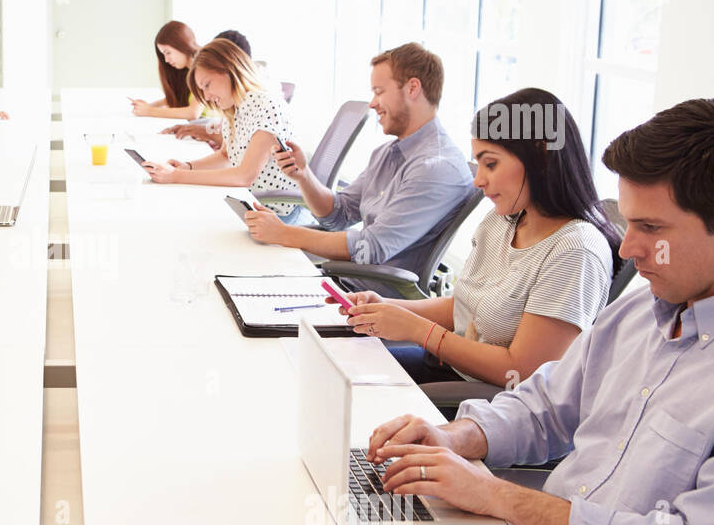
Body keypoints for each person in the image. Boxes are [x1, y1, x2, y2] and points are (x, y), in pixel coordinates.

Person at [365, 99, 714, 525]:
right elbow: (546, 404)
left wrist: (502, 500)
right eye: (628, 222)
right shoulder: (638, 315)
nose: (627, 248)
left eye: (651, 228)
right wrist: (458, 435)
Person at [337, 89, 618, 391]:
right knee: (335, 365)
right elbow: (464, 306)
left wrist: (418, 330)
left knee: (346, 395)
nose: (478, 179)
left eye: (491, 164)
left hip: (482, 405)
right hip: (443, 368)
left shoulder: (574, 252)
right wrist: (387, 308)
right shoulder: (504, 219)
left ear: (540, 156)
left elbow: (521, 373)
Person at [243, 43, 473, 286]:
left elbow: (369, 249)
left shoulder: (436, 168)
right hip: (345, 284)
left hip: (371, 305)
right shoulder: (387, 152)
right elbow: (338, 215)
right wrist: (303, 175)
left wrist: (284, 233)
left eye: (379, 91)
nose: (372, 103)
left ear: (412, 88)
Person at [140, 38, 293, 193]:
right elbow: (226, 156)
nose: (206, 97)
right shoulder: (235, 107)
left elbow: (245, 176)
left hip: (272, 212)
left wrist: (177, 176)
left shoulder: (266, 105)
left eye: (207, 85)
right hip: (249, 202)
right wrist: (188, 167)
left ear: (229, 69)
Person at [162, 29, 252, 146]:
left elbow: (241, 145)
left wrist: (149, 111)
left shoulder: (255, 105)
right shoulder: (232, 106)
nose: (207, 97)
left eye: (168, 52)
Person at [129, 20, 204, 120]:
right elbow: (175, 99)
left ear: (182, 44)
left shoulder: (201, 69)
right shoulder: (188, 71)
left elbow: (193, 113)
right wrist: (148, 106)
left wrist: (149, 111)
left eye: (168, 52)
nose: (166, 60)